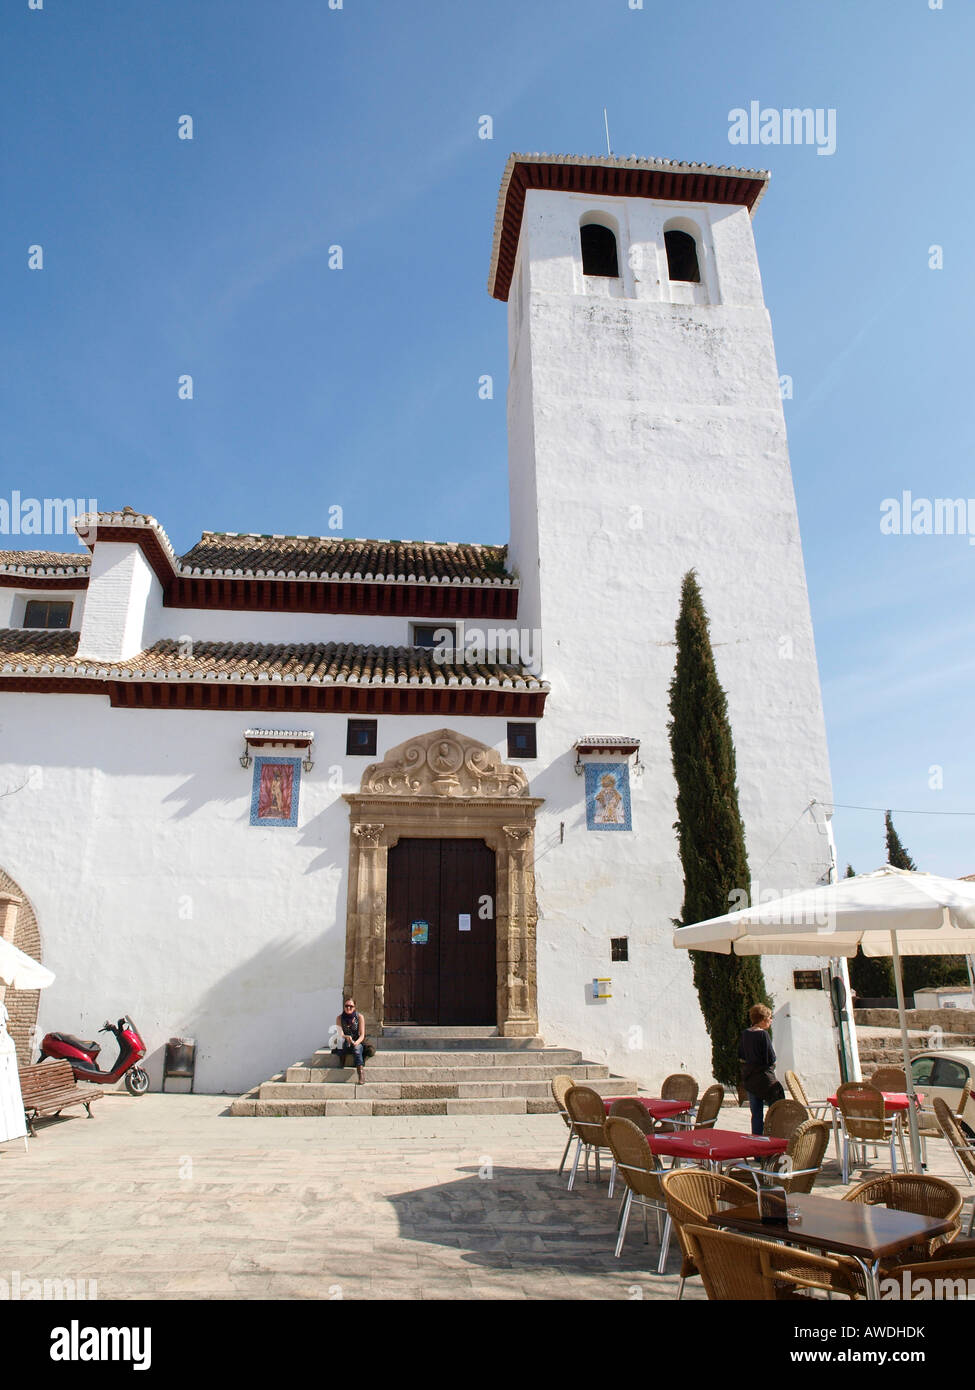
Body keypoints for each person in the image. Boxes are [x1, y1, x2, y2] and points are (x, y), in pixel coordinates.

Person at [739, 1003, 785, 1136]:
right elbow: (771, 1058)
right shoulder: (763, 1035)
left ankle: (757, 1148)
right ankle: (775, 1139)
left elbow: (741, 1055)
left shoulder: (745, 1034)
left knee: (756, 1115)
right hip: (765, 1080)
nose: (771, 1021)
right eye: (770, 1018)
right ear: (763, 1019)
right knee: (777, 1110)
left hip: (751, 1079)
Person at [336, 998, 366, 1083]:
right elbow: (340, 1033)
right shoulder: (339, 1018)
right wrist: (346, 1037)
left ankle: (361, 1074)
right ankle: (342, 1060)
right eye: (346, 1006)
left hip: (357, 1040)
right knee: (341, 1042)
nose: (348, 1008)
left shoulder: (359, 1017)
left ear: (354, 1007)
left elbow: (362, 1034)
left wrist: (356, 1042)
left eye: (351, 1006)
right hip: (345, 1040)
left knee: (357, 1049)